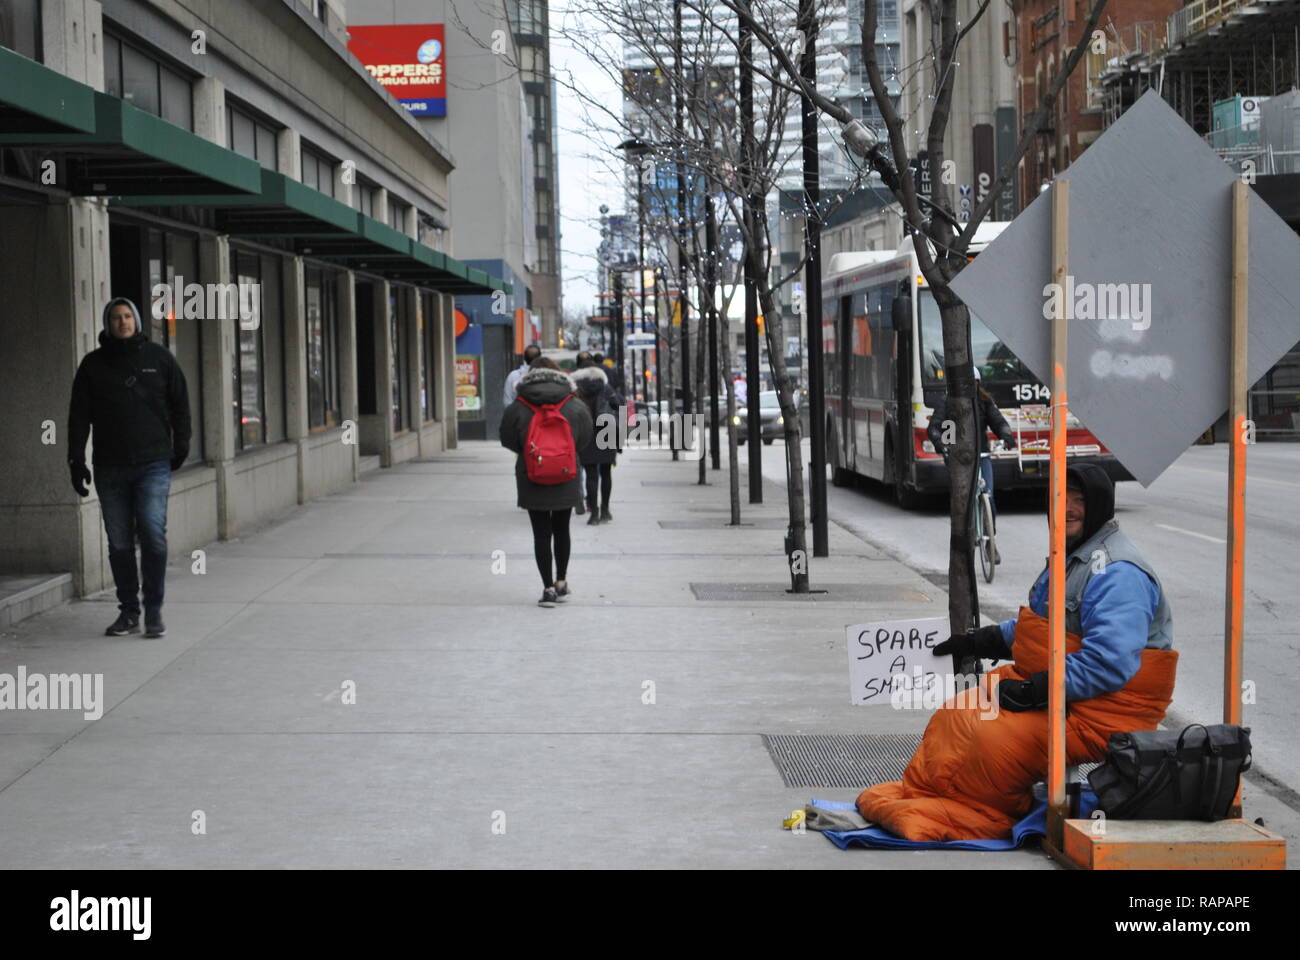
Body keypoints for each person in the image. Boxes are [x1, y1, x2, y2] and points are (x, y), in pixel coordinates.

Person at [854, 463, 1177, 841]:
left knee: (993, 740)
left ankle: (977, 814)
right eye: (1060, 498)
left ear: (1101, 506)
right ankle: (931, 798)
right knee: (955, 715)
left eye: (1079, 501)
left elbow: (1109, 663)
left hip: (1103, 710)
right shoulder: (1076, 555)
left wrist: (1036, 691)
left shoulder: (1117, 572)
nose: (1067, 508)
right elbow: (1042, 629)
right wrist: (980, 640)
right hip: (1063, 693)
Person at [67, 297, 192, 638]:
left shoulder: (160, 359)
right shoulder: (92, 365)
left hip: (153, 463)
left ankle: (153, 611)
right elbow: (78, 417)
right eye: (115, 317)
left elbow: (180, 404)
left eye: (127, 316)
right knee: (119, 541)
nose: (122, 322)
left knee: (152, 533)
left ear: (136, 321)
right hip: (110, 467)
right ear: (108, 324)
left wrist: (180, 446)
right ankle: (129, 611)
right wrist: (76, 459)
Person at [499, 357, 594, 607]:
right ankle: (562, 581)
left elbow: (507, 438)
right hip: (565, 472)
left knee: (541, 533)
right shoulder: (574, 404)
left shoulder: (519, 406)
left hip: (532, 474)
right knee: (562, 529)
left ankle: (548, 588)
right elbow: (585, 436)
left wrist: (530, 452)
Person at [927, 368, 1016, 508]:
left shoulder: (985, 402)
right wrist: (940, 443)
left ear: (978, 383)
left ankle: (989, 528)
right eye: (964, 384)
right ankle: (964, 527)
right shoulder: (947, 402)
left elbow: (998, 422)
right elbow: (935, 427)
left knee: (989, 496)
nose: (968, 387)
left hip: (982, 454)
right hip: (958, 457)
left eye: (973, 383)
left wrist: (1006, 436)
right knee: (963, 499)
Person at [571, 357, 623, 525]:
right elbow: (618, 407)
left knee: (591, 475)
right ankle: (606, 509)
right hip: (606, 432)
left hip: (586, 434)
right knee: (606, 473)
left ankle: (594, 513)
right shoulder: (605, 388)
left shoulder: (576, 390)